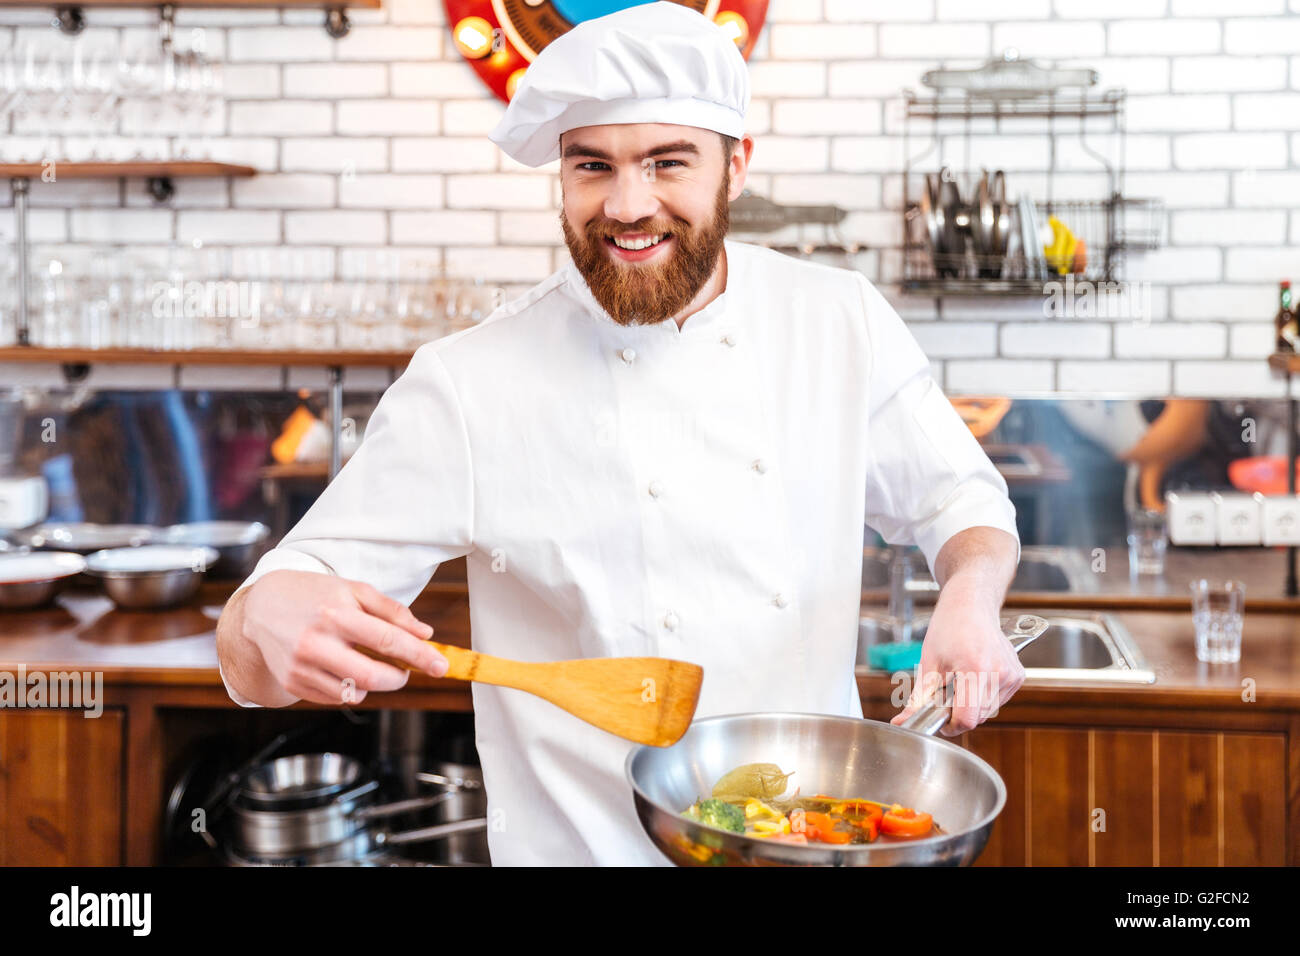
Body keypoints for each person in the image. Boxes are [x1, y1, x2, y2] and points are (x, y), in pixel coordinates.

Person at [215, 2, 1022, 866]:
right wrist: (266, 615)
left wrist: (970, 603)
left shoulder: (837, 322)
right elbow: (258, 639)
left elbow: (959, 499)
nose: (628, 206)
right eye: (591, 165)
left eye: (666, 162)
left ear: (736, 167)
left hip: (812, 845)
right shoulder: (471, 381)